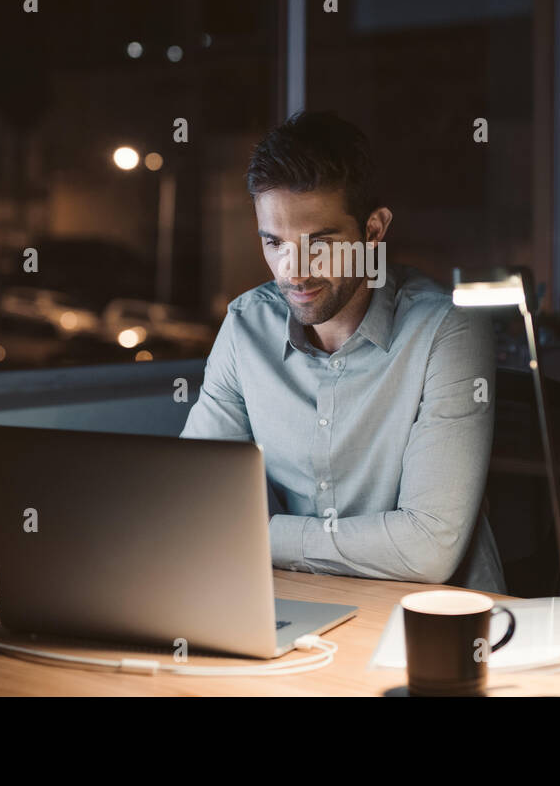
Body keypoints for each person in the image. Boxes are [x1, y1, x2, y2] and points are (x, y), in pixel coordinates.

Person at [181, 109, 505, 593]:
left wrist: (250, 535)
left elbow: (428, 548)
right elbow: (190, 502)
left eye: (319, 243)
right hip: (286, 605)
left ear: (374, 230)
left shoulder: (448, 330)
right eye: (274, 243)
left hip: (433, 622)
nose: (293, 271)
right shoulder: (246, 325)